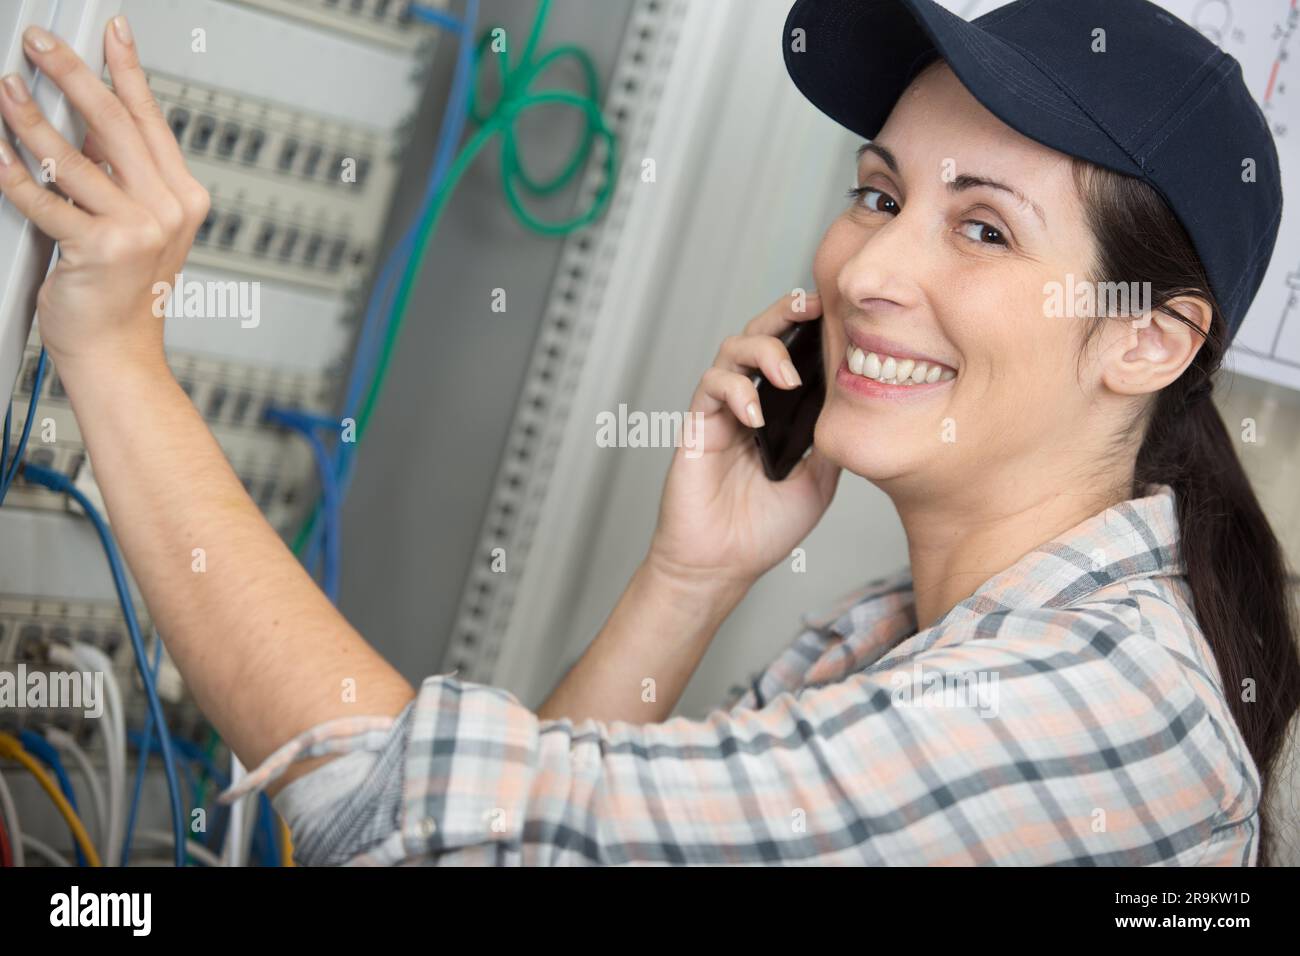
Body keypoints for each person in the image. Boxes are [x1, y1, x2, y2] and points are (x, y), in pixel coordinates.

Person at [1, 0, 1295, 866]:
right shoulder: (891, 640)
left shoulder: (1091, 710)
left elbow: (427, 837)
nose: (867, 272)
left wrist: (115, 361)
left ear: (1149, 339)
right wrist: (689, 578)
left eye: (984, 228)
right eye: (878, 194)